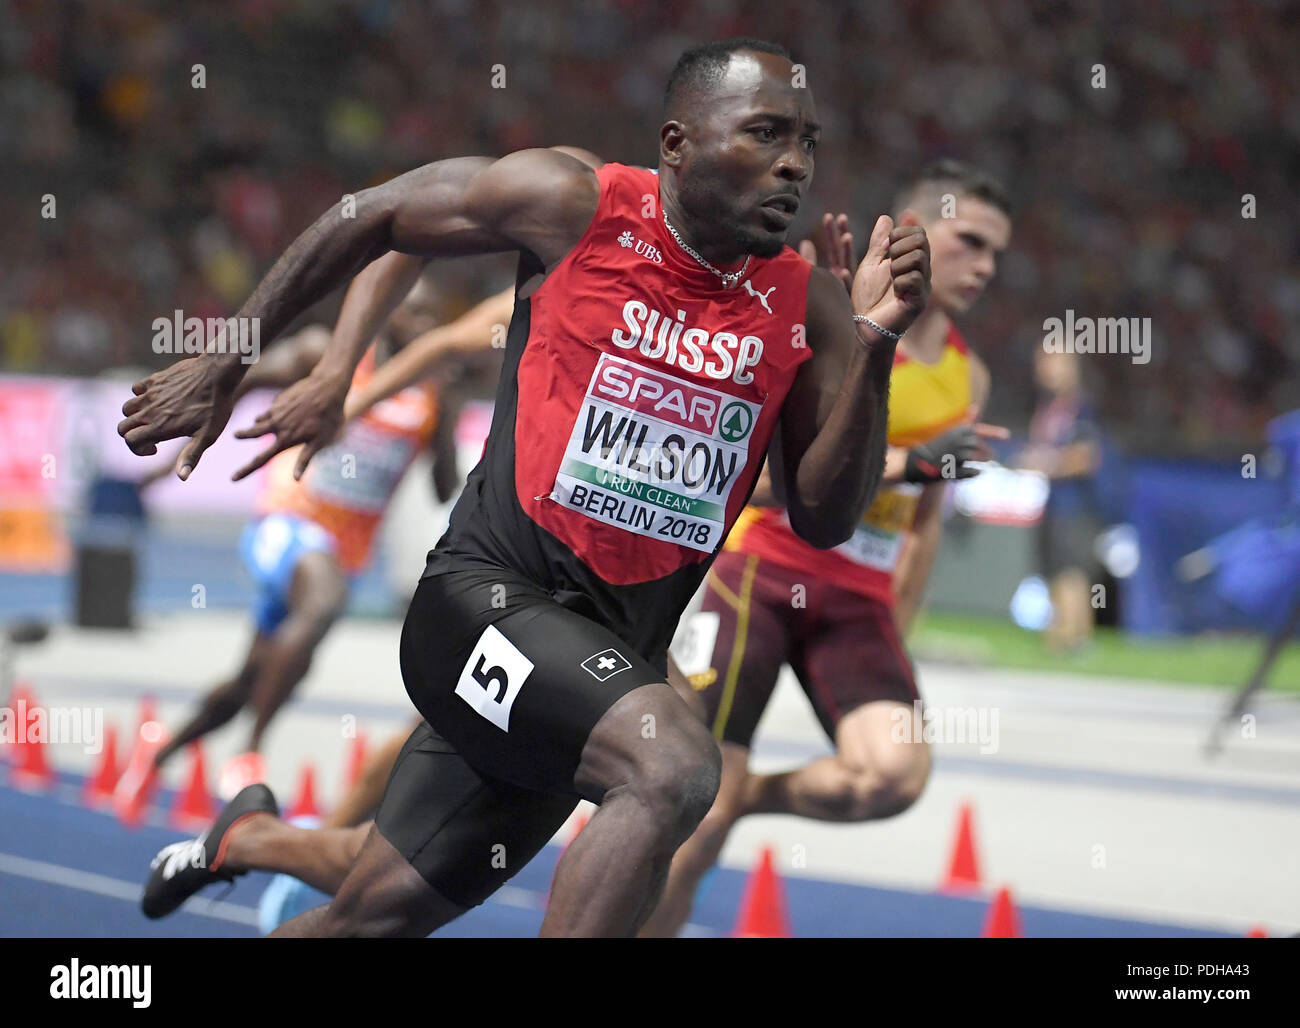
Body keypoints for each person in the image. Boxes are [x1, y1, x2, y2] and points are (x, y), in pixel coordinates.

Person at [119, 37, 930, 938]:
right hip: (483, 602)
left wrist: (873, 347)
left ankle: (249, 838)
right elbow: (379, 214)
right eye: (767, 133)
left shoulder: (807, 303)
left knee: (369, 917)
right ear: (678, 143)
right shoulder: (575, 202)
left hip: (606, 654)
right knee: (672, 768)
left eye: (808, 142)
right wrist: (235, 357)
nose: (794, 163)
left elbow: (822, 517)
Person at [641, 162, 1012, 936]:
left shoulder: (967, 375)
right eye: (969, 241)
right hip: (763, 576)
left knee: (890, 776)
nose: (984, 266)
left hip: (859, 599)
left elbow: (926, 520)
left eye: (997, 254)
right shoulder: (834, 316)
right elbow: (762, 477)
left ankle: (746, 792)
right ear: (911, 232)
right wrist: (911, 463)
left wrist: (894, 627)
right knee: (695, 823)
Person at [146, 290, 446, 785]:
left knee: (256, 677)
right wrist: (185, 444)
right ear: (386, 312)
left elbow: (442, 480)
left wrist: (449, 436)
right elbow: (241, 374)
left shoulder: (432, 390)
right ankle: (251, 755)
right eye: (415, 309)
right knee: (321, 605)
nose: (426, 322)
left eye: (433, 314)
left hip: (348, 549)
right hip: (288, 518)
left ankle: (157, 756)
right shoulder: (325, 355)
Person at [1017, 347, 1103, 653]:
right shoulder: (1049, 406)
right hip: (1051, 503)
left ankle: (1075, 638)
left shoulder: (1081, 407)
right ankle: (1059, 635)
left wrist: (1045, 464)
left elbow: (1086, 457)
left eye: (1053, 362)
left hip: (1074, 505)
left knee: (1071, 570)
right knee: (1054, 568)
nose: (1045, 369)